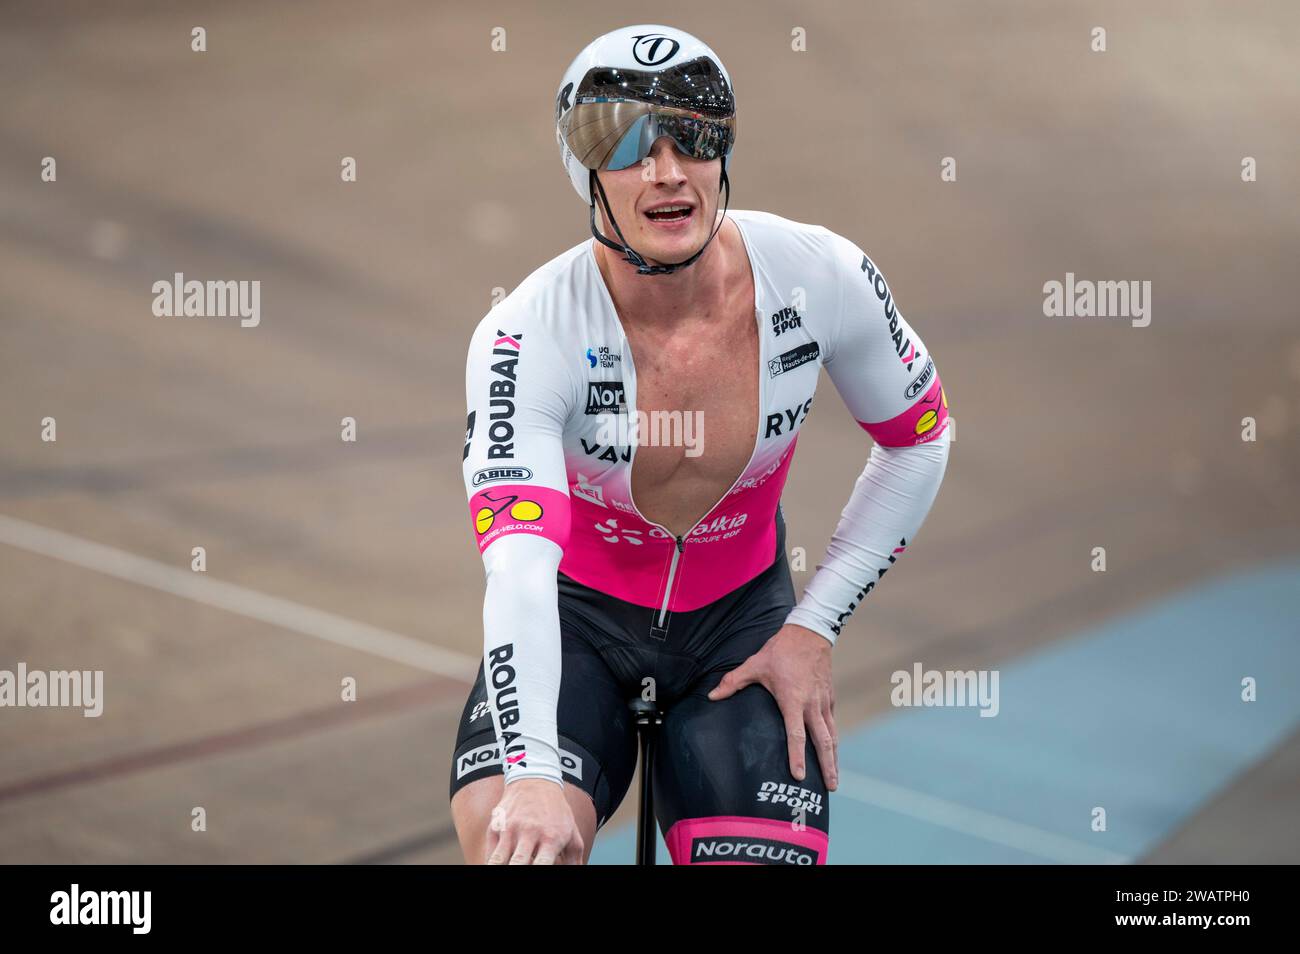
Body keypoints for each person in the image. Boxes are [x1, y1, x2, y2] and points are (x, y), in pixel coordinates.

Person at [449, 24, 950, 865]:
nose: (669, 171)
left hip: (740, 628)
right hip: (578, 625)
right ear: (587, 175)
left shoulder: (819, 274)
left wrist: (813, 627)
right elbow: (521, 567)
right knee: (518, 847)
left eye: (696, 137)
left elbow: (919, 439)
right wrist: (533, 771)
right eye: (631, 146)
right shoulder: (526, 335)